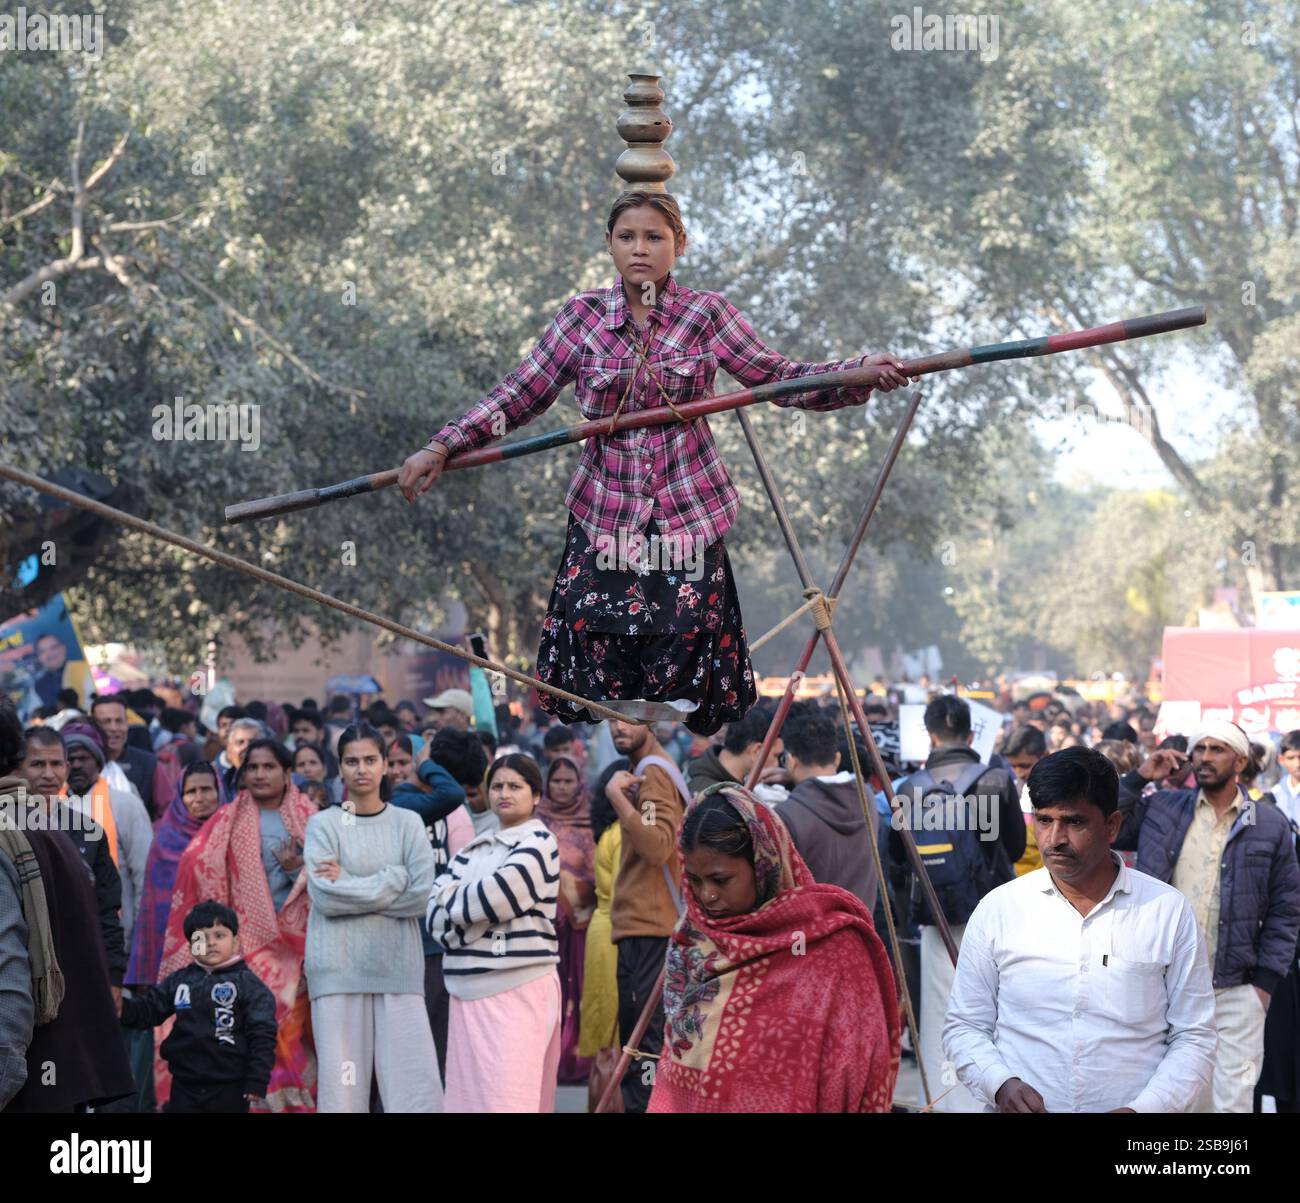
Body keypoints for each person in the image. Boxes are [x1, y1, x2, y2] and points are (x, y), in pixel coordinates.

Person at [398, 189, 915, 735]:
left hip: (687, 509)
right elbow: (518, 396)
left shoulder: (705, 315)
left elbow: (777, 378)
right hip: (606, 510)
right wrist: (443, 445)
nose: (639, 249)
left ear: (679, 245)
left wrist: (855, 372)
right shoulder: (582, 319)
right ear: (609, 244)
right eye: (627, 237)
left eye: (654, 237)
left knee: (684, 630)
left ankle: (670, 721)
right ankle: (619, 715)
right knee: (590, 621)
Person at [944, 747, 1218, 1112]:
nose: (1055, 838)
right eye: (1044, 820)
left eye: (1074, 822)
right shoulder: (999, 909)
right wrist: (999, 1083)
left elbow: (1195, 1037)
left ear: (1112, 825)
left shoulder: (1166, 912)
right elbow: (964, 1027)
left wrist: (1146, 1109)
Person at [649, 788, 899, 1112]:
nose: (706, 895)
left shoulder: (829, 947)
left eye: (721, 880)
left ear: (762, 865)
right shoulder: (693, 941)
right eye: (695, 881)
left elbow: (861, 1062)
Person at [1117, 720, 1300, 1112]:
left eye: (1217, 750)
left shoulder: (1268, 823)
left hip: (1238, 989)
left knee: (1232, 1101)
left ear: (1240, 761)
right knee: (1181, 1099)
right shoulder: (1162, 808)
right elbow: (1104, 827)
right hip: (1166, 986)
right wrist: (1138, 776)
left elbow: (1287, 906)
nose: (1204, 757)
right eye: (1200, 749)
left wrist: (1264, 985)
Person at [158, 738, 317, 1111]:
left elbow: (334, 869)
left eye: (269, 766)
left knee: (295, 1043)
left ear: (287, 772)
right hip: (247, 955)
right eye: (252, 767)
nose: (260, 774)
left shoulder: (311, 817)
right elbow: (196, 864)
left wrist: (304, 866)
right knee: (256, 1042)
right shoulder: (226, 820)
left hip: (305, 956)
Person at [887, 694, 1023, 1112]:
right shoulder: (996, 781)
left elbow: (895, 859)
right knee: (994, 1012)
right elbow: (1016, 848)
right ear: (970, 734)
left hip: (933, 917)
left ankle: (945, 1103)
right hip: (995, 915)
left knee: (944, 1013)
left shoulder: (909, 788)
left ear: (930, 735)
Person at [0, 699, 135, 1112]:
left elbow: (8, 978)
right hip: (58, 1075)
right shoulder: (43, 828)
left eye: (55, 764)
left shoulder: (32, 832)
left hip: (27, 1079)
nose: (49, 773)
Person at [304, 725, 441, 1112]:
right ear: (340, 769)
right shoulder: (323, 825)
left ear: (385, 766)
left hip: (397, 966)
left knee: (413, 1088)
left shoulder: (407, 824)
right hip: (337, 970)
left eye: (370, 760)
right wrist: (392, 879)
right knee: (342, 1091)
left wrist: (349, 882)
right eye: (352, 761)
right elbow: (325, 897)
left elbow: (420, 897)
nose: (361, 769)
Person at [428, 754, 562, 1112]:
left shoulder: (539, 842)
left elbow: (497, 898)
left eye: (515, 786)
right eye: (498, 786)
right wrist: (475, 916)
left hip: (518, 989)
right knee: (468, 1102)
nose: (504, 792)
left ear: (535, 796)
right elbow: (434, 917)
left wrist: (461, 908)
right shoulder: (474, 848)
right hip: (466, 995)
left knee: (509, 1101)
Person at [603, 718, 689, 1112]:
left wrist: (616, 799)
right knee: (644, 1047)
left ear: (652, 722)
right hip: (645, 927)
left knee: (644, 1051)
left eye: (630, 717)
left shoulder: (652, 772)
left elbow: (657, 846)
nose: (617, 725)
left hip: (650, 930)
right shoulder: (646, 769)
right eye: (611, 716)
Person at [120, 901, 277, 1113]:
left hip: (230, 1086)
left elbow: (262, 1036)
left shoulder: (249, 986)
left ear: (236, 942)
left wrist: (257, 1080)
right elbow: (148, 1011)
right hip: (185, 1084)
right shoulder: (180, 981)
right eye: (201, 938)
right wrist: (119, 1007)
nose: (210, 943)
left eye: (219, 936)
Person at [388, 730, 482, 1079]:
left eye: (406, 762)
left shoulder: (438, 807)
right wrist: (424, 763)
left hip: (439, 942)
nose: (398, 770)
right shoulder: (402, 803)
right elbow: (453, 793)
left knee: (438, 1041)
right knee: (414, 1043)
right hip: (411, 940)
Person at [17, 726, 127, 994]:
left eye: (56, 764)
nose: (48, 774)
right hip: (18, 969)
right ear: (19, 768)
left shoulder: (87, 831)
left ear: (66, 768)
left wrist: (113, 976)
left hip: (76, 969)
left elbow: (107, 910)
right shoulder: (8, 827)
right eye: (37, 764)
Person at [126, 761, 228, 994]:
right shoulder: (164, 842)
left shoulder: (233, 832)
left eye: (206, 789)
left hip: (227, 944)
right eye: (190, 791)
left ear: (219, 791)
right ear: (180, 797)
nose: (199, 797)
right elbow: (152, 911)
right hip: (175, 947)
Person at [774, 710, 883, 913]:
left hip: (814, 937)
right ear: (837, 758)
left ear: (790, 760)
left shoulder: (787, 815)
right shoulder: (866, 795)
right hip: (862, 931)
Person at [60, 719, 152, 951]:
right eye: (70, 759)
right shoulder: (47, 810)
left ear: (99, 763)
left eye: (84, 758)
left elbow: (145, 875)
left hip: (119, 936)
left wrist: (142, 944)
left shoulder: (125, 805)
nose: (77, 765)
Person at [537, 756, 596, 1083]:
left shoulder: (591, 818)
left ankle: (576, 1057)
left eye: (568, 782)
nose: (561, 788)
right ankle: (548, 1057)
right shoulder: (537, 819)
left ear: (579, 784)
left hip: (583, 923)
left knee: (580, 988)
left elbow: (597, 871)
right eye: (556, 781)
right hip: (546, 924)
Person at [578, 758, 626, 1063]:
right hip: (617, 933)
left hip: (602, 930)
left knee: (604, 1013)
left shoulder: (610, 831)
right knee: (615, 1026)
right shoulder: (624, 833)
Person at [89, 695, 168, 820]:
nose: (114, 728)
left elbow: (167, 813)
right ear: (92, 726)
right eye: (106, 722)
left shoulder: (149, 764)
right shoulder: (81, 764)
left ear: (127, 724)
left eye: (119, 721)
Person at [685, 705, 782, 795]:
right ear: (756, 751)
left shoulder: (727, 785)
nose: (776, 764)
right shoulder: (713, 797)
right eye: (775, 755)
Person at [1002, 725, 1047, 876]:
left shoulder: (1060, 791)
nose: (1019, 772)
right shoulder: (1016, 787)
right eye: (1013, 766)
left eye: (1024, 766)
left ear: (1043, 755)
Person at [218, 717, 265, 796]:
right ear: (229, 749)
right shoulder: (219, 786)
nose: (246, 747)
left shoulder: (276, 783)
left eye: (252, 742)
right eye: (240, 742)